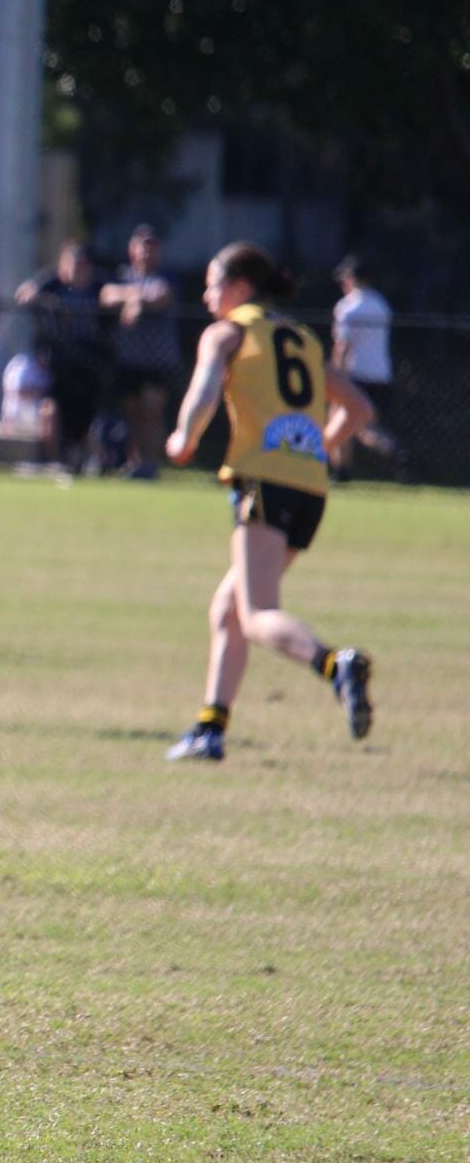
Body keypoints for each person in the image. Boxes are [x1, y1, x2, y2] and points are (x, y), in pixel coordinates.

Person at [162, 242, 375, 763]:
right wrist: (321, 444)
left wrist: (183, 438)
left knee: (257, 612)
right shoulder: (301, 337)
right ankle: (210, 728)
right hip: (310, 488)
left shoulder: (229, 332)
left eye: (213, 283)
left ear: (239, 287)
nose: (206, 293)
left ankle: (333, 665)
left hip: (263, 480)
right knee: (228, 608)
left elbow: (205, 390)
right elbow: (360, 409)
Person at [15, 240, 110, 472]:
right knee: (53, 408)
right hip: (59, 362)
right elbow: (24, 294)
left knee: (87, 414)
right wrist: (49, 303)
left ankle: (87, 460)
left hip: (89, 361)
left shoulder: (98, 286)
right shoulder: (53, 283)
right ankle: (57, 462)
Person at [100, 224, 180, 479]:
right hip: (129, 357)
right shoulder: (123, 275)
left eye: (152, 246)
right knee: (133, 411)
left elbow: (161, 296)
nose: (147, 251)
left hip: (158, 359)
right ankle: (136, 463)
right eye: (142, 245)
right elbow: (106, 295)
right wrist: (134, 297)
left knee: (152, 407)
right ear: (132, 249)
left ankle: (152, 463)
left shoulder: (166, 275)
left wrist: (135, 302)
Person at [329, 256, 407, 480]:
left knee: (342, 421)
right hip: (381, 373)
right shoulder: (381, 304)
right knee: (365, 426)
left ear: (351, 279)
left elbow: (342, 345)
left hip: (354, 373)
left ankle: (341, 470)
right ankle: (393, 449)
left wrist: (336, 375)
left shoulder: (347, 307)